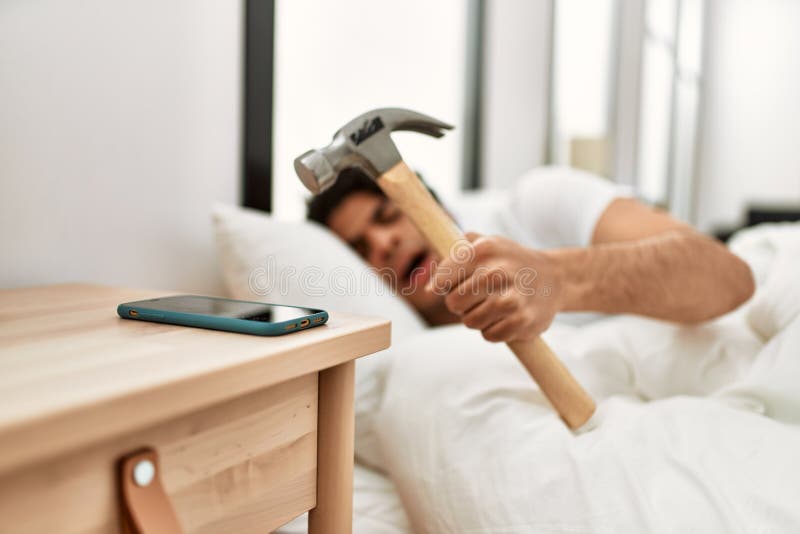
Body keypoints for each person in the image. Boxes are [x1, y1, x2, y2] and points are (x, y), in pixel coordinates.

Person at [307, 166, 754, 342]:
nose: (383, 244)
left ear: (432, 202)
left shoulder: (538, 201)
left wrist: (556, 280)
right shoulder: (406, 340)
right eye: (361, 249)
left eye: (387, 217)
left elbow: (728, 276)